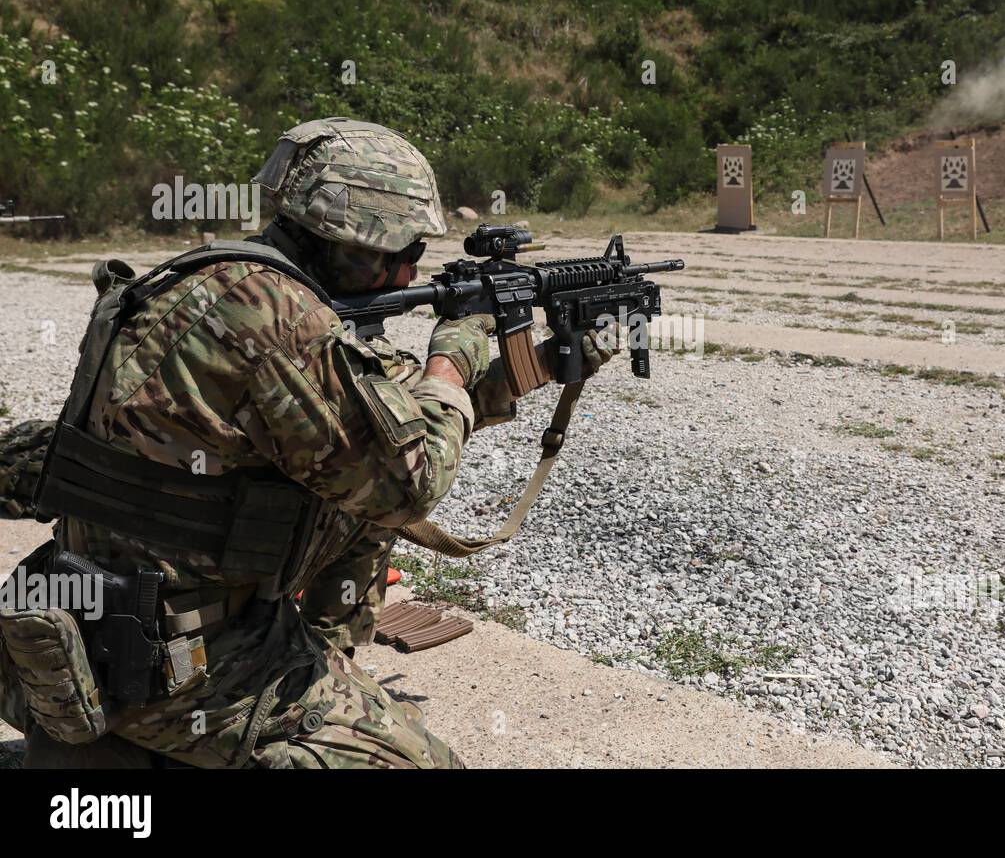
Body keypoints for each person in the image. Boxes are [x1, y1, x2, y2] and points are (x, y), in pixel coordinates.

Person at [0, 117, 611, 768]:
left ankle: (320, 656)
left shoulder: (204, 283)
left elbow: (376, 419)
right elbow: (410, 484)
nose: (410, 270)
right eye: (407, 253)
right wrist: (452, 359)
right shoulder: (281, 324)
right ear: (361, 244)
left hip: (87, 623)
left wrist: (539, 363)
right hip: (181, 669)